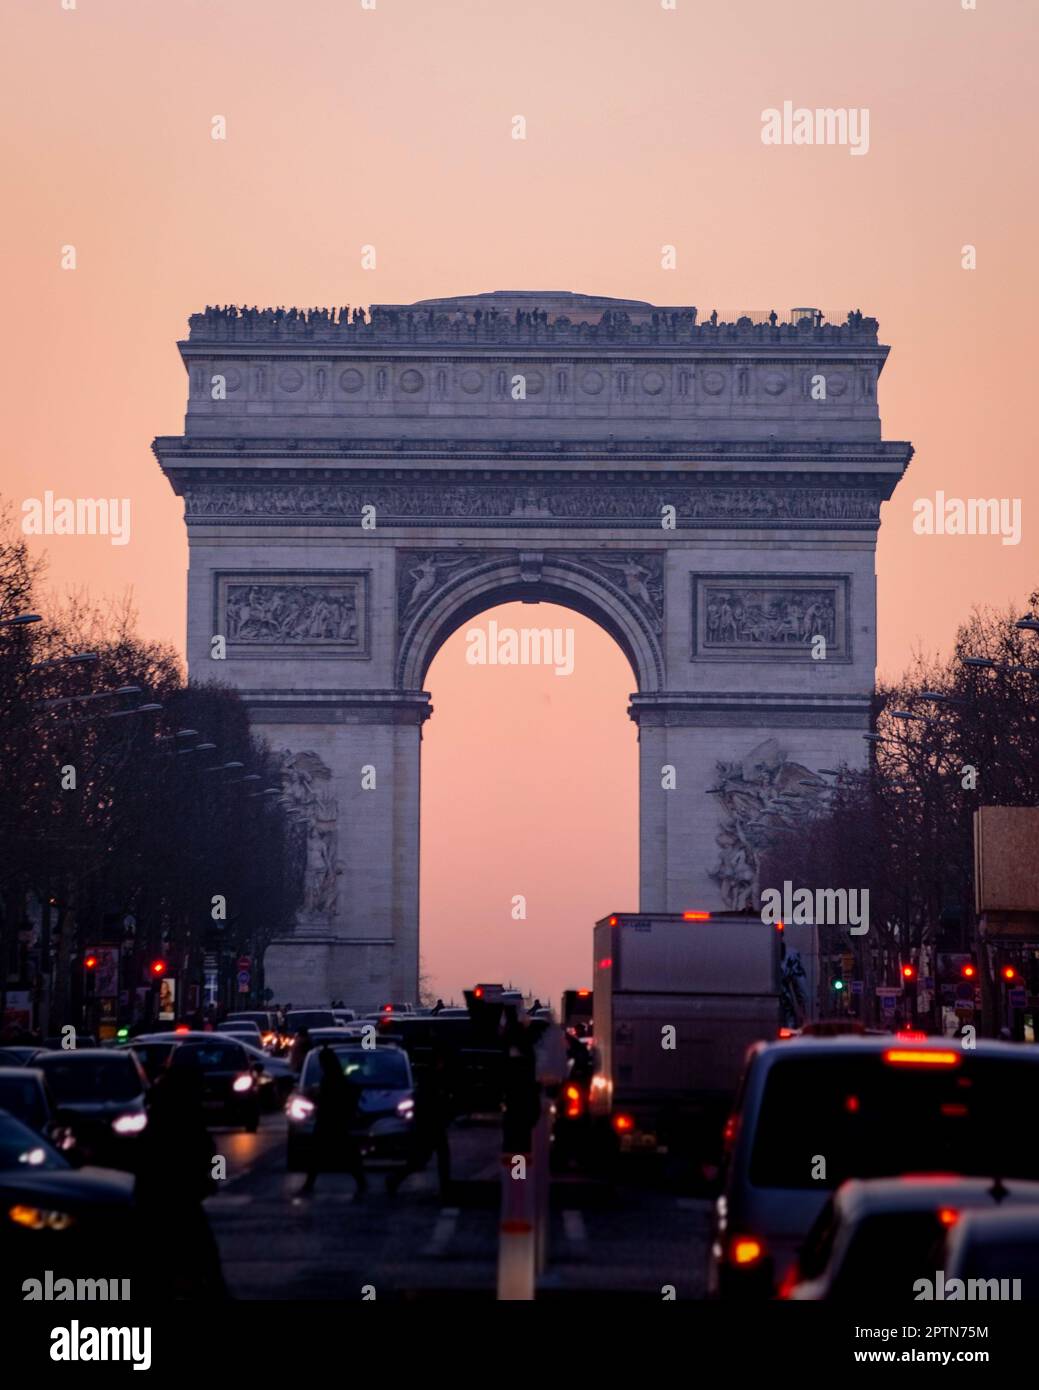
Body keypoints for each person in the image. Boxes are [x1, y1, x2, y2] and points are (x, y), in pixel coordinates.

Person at [134, 1064, 226, 1299]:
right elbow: (206, 1150)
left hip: (159, 1197)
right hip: (178, 1198)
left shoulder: (157, 1114)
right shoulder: (185, 1116)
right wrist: (210, 1177)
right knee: (202, 1252)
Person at [300, 1046, 366, 1196]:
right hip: (333, 1121)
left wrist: (316, 1098)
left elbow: (329, 1100)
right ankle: (360, 1180)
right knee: (341, 1153)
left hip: (330, 1121)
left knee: (321, 1153)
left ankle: (309, 1183)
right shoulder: (335, 1077)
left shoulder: (331, 1079)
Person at [386, 1050, 452, 1197]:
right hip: (430, 1123)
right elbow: (430, 1102)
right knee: (426, 1158)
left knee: (426, 1158)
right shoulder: (432, 1079)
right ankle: (394, 1179)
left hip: (430, 1123)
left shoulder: (430, 1078)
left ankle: (395, 1179)